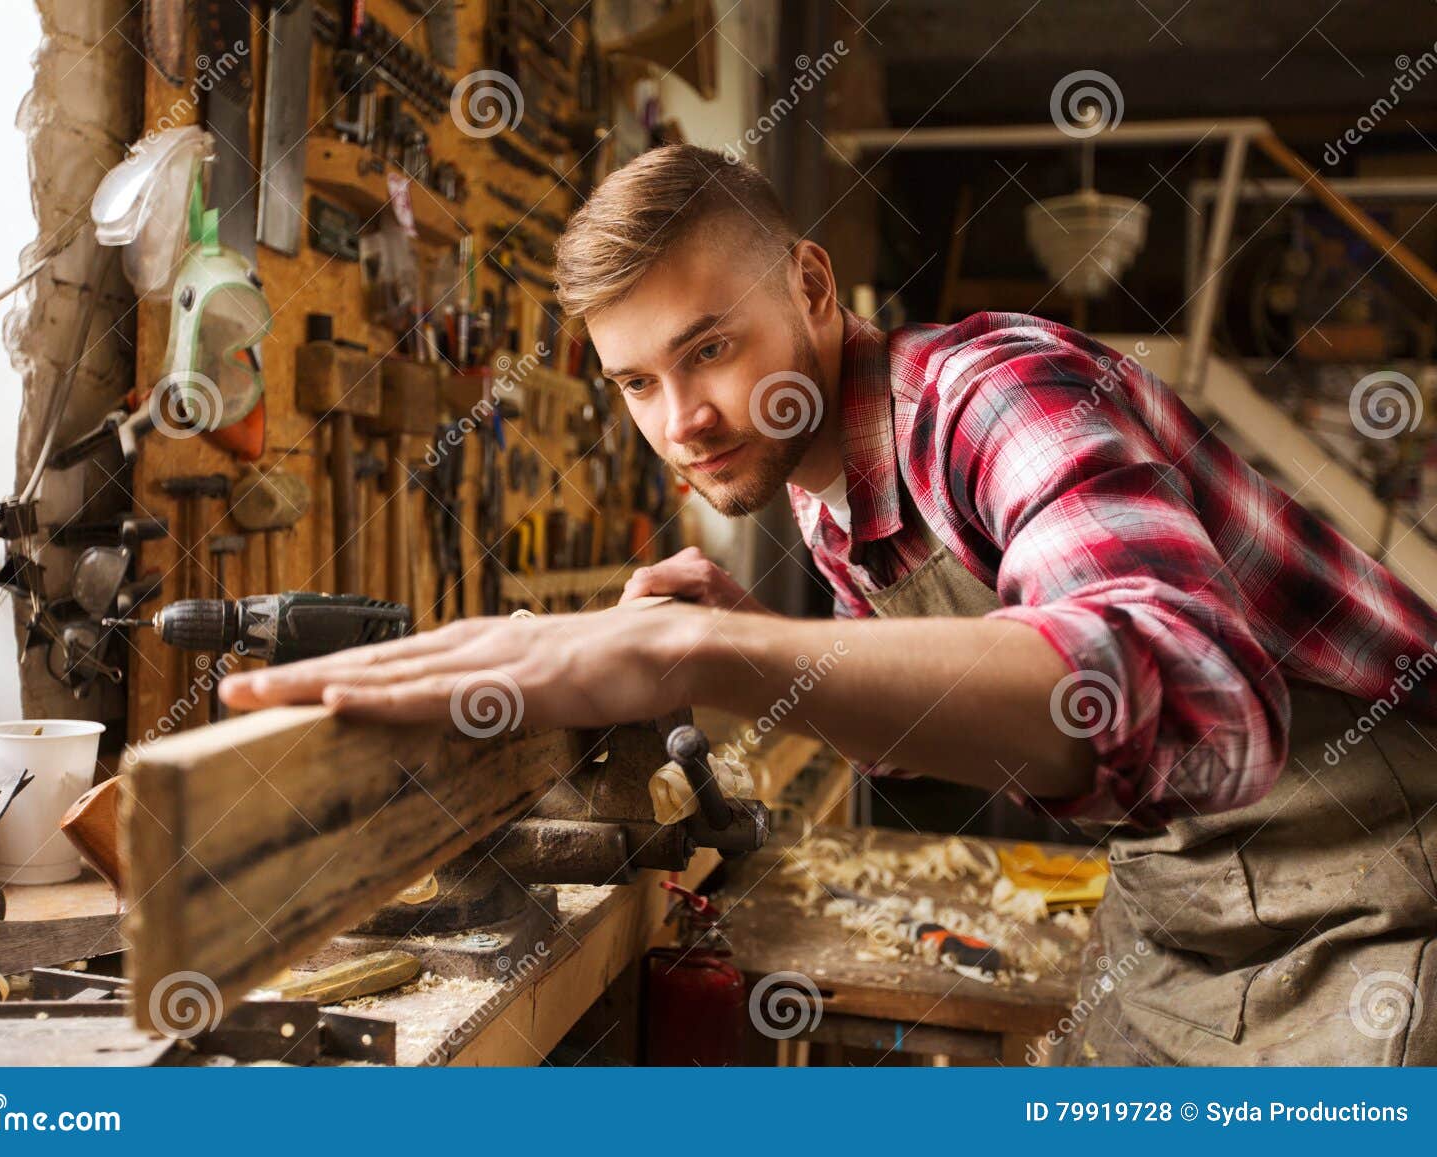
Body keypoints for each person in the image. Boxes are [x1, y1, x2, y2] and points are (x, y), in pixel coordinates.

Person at [222, 144, 1437, 1065]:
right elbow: (931, 732)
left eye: (708, 349)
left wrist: (706, 645)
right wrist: (755, 641)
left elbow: (1177, 690)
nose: (679, 420)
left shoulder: (987, 394)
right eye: (636, 380)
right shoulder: (828, 481)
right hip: (1181, 906)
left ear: (809, 285)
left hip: (1375, 891)